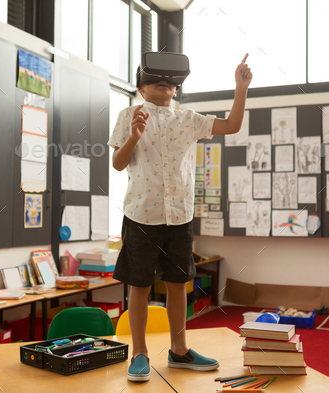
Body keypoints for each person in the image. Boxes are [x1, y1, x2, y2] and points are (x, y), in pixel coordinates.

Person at [109, 53, 253, 382]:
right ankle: (139, 354)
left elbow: (231, 126)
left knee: (178, 284)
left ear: (176, 88)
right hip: (141, 214)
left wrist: (240, 88)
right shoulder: (127, 115)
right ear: (141, 87)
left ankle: (179, 351)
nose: (164, 84)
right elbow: (118, 163)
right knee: (140, 286)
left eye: (170, 81)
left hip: (180, 217)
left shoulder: (189, 119)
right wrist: (133, 136)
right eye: (155, 80)